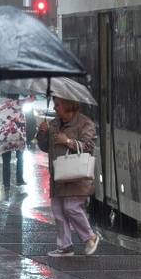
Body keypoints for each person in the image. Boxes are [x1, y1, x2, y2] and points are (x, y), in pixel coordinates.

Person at [37, 96, 101, 256]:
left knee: (71, 207)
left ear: (68, 104)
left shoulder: (85, 123)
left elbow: (88, 146)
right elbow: (46, 147)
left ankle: (90, 237)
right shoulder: (54, 124)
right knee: (58, 210)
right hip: (58, 175)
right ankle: (65, 246)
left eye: (57, 105)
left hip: (76, 176)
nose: (54, 108)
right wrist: (42, 133)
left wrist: (68, 141)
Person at [0, 94, 28, 192]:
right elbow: (31, 100)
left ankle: (6, 184)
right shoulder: (19, 103)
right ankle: (19, 179)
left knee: (6, 161)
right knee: (20, 158)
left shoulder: (0, 105)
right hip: (18, 136)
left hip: (4, 137)